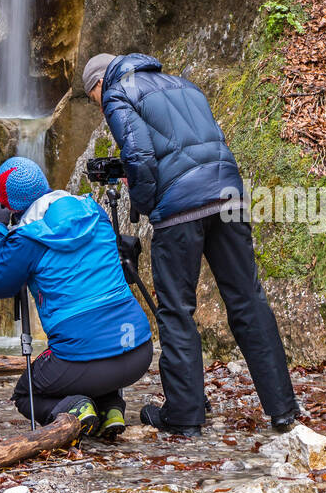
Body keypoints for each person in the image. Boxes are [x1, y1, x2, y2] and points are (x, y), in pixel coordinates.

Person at [82, 52, 300, 437]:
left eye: (92, 98)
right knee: (248, 298)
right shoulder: (186, 85)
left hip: (181, 208)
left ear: (98, 84)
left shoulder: (118, 92)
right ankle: (283, 409)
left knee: (177, 310)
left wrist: (148, 206)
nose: (98, 106)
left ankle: (184, 415)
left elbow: (140, 155)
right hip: (228, 196)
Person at [0, 156, 153, 439]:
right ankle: (111, 407)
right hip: (138, 351)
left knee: (26, 394)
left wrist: (0, 228)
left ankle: (76, 407)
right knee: (97, 346)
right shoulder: (93, 211)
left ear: (8, 204)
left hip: (80, 360)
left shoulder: (27, 238)